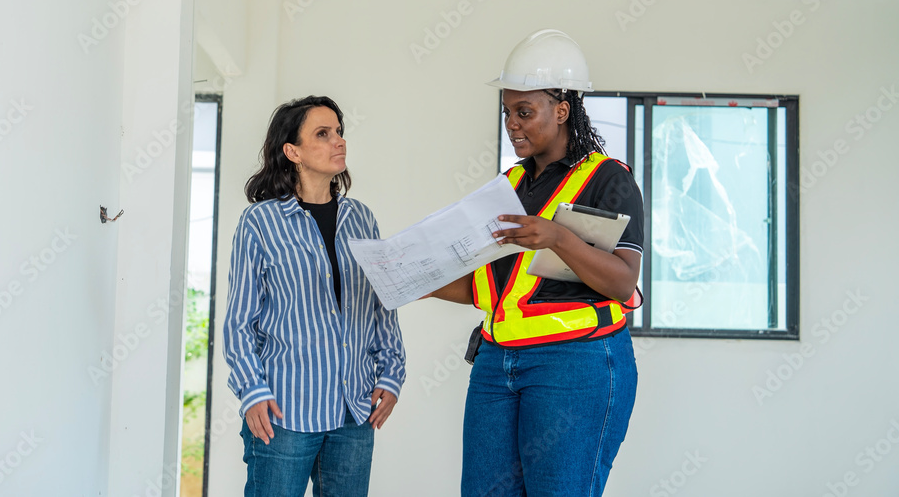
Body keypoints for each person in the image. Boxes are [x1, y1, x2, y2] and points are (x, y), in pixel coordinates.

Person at [427, 30, 644, 497]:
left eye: (525, 112)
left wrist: (560, 238)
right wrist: (421, 278)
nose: (513, 124)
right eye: (507, 112)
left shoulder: (609, 181)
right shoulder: (510, 186)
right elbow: (491, 290)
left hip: (575, 362)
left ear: (562, 110)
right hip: (495, 361)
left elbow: (624, 283)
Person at [223, 95, 406, 497]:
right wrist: (252, 392)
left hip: (353, 413)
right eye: (322, 134)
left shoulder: (362, 219)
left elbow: (381, 305)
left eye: (339, 132)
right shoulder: (260, 222)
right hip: (283, 412)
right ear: (293, 152)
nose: (338, 141)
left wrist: (392, 375)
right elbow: (239, 322)